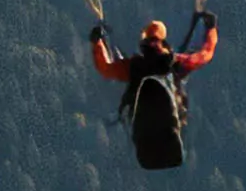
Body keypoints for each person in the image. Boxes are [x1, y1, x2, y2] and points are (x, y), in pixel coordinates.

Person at [90, 12, 217, 169]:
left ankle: (154, 129)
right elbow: (204, 54)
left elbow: (106, 68)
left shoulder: (139, 66)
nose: (152, 44)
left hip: (144, 122)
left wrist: (97, 43)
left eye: (154, 41)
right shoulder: (172, 63)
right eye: (151, 41)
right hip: (160, 118)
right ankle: (164, 127)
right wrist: (210, 28)